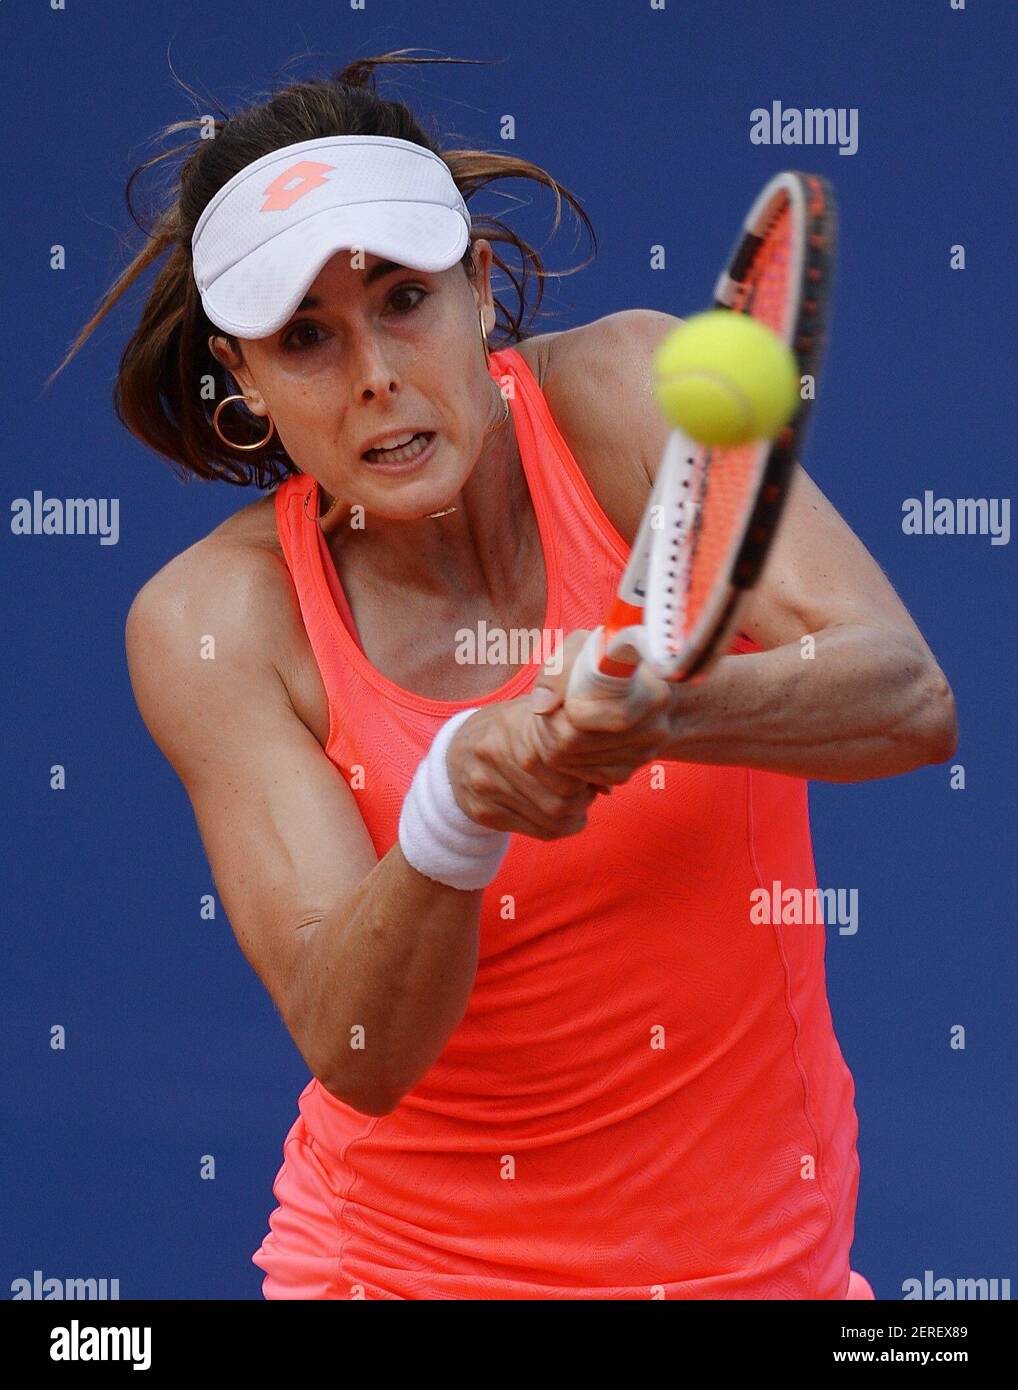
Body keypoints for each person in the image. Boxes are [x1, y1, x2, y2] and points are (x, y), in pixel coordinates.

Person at [50, 52, 956, 1300]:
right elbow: (351, 1043)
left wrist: (666, 711)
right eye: (304, 337)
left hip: (773, 1278)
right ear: (244, 382)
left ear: (479, 288)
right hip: (405, 1280)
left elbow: (905, 697)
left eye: (403, 299)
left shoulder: (632, 400)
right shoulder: (215, 619)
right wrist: (454, 808)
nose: (372, 371)